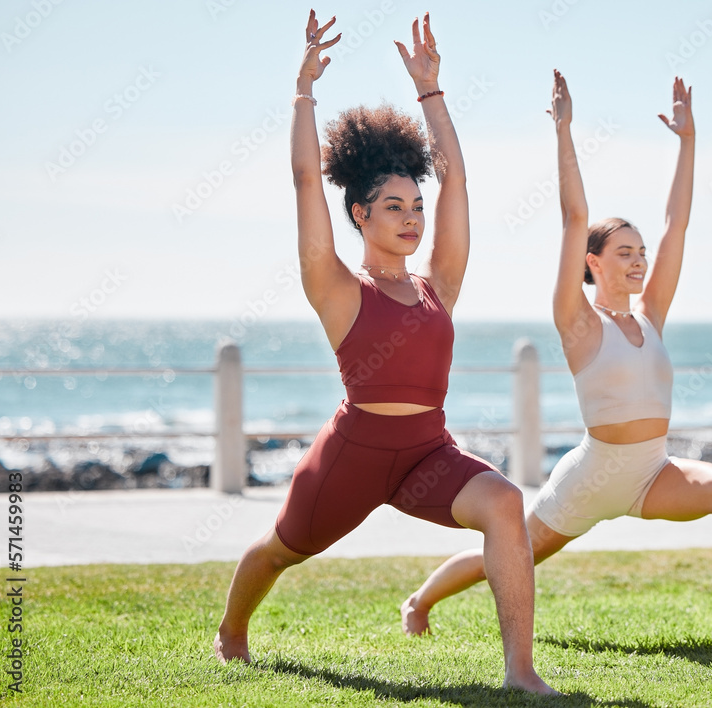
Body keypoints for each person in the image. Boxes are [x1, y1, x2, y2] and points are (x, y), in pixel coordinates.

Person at [213, 10, 557, 695]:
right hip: (354, 456)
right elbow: (307, 182)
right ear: (360, 215)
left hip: (428, 455)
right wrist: (304, 91)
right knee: (283, 549)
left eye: (415, 207)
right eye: (394, 206)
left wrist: (432, 93)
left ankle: (520, 672)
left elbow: (456, 182)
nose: (411, 218)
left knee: (506, 503)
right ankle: (231, 632)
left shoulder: (439, 287)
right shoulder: (337, 287)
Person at [401, 70, 712, 651]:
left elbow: (678, 226)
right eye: (625, 253)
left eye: (640, 253)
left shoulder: (651, 315)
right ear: (593, 262)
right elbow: (574, 219)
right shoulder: (577, 322)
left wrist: (688, 142)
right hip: (591, 479)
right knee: (516, 550)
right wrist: (564, 132)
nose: (639, 261)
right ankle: (420, 600)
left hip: (653, 473)